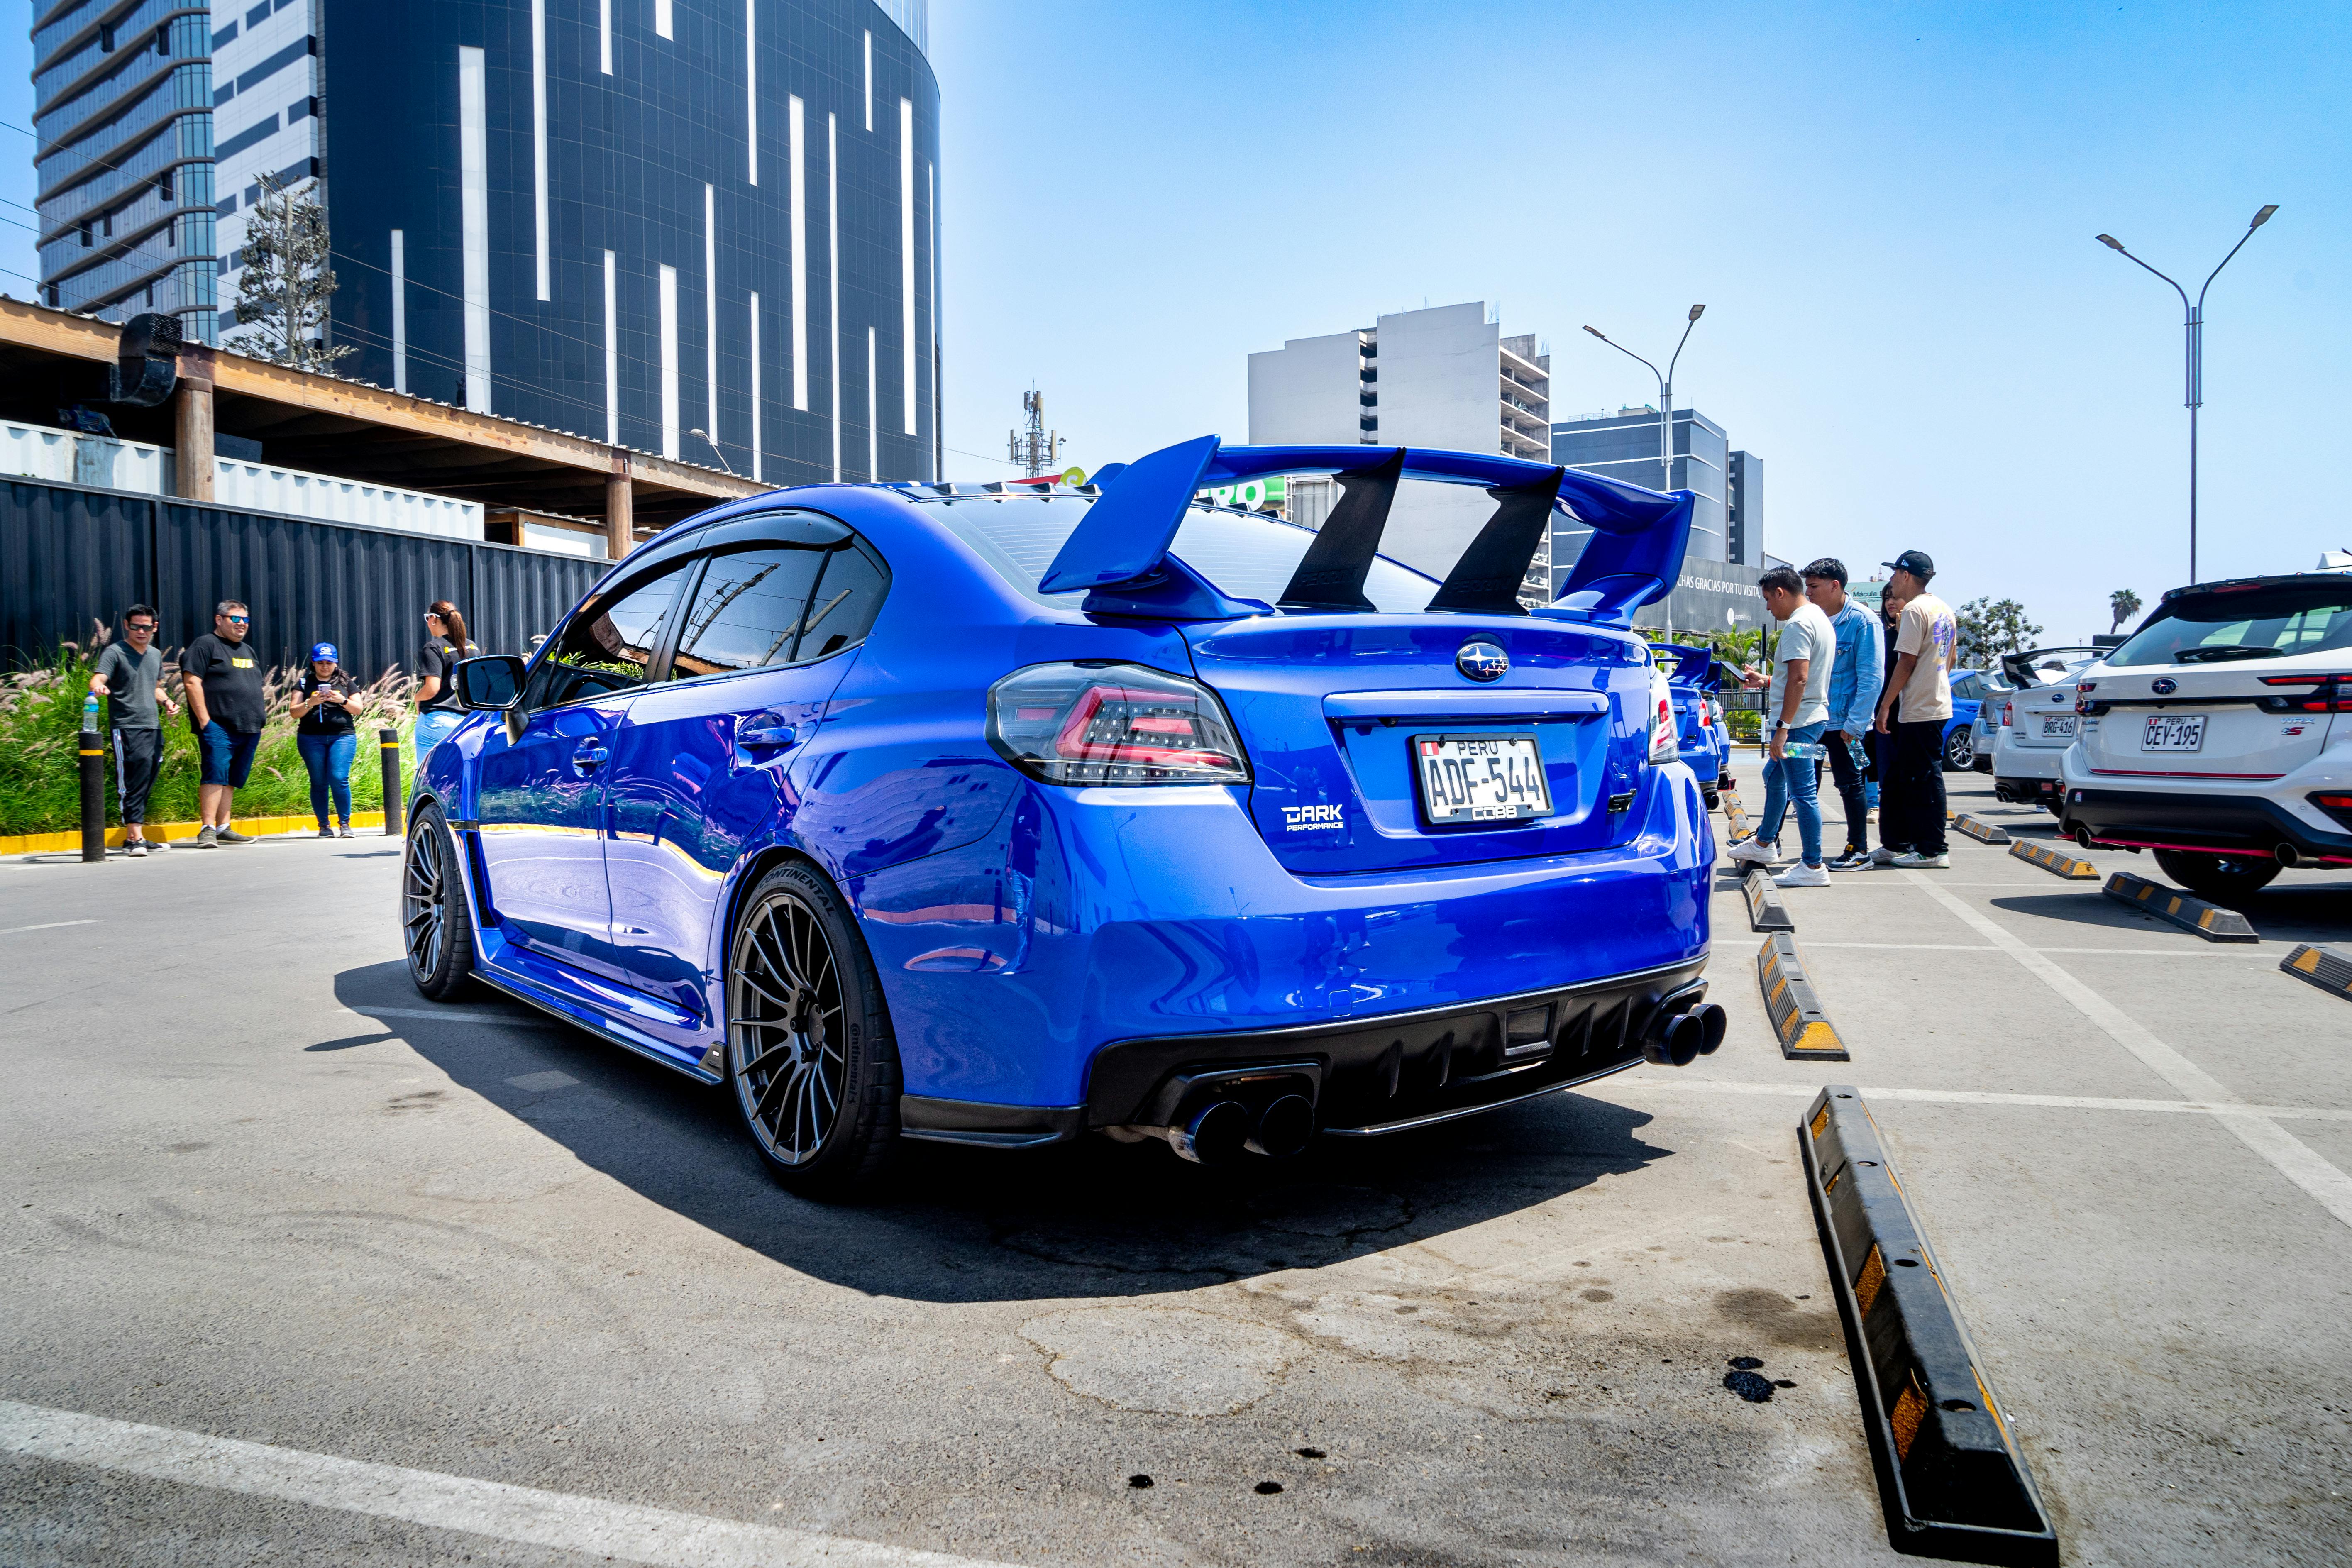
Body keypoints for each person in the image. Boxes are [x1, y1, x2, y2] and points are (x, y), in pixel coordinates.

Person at [1728, 566, 1838, 887]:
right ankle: (1764, 844)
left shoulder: (1798, 625)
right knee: (1772, 776)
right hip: (1811, 716)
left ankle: (1813, 866)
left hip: (1799, 722)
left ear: (1780, 592)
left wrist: (1782, 729)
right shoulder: (1819, 619)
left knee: (1803, 794)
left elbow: (1800, 678)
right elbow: (1802, 675)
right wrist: (1765, 680)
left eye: (1767, 599)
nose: (1767, 608)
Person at [1872, 550, 1959, 868]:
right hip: (1935, 702)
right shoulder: (1944, 609)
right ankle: (1905, 844)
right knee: (1917, 777)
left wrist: (1885, 705)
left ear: (1906, 576)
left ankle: (1933, 849)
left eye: (1894, 574)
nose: (1892, 580)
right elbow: (1950, 659)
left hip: (1918, 709)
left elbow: (1905, 661)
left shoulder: (1913, 611)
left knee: (1924, 780)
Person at [1801, 560, 1885, 871]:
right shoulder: (1812, 619)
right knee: (1797, 779)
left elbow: (1871, 678)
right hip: (1812, 721)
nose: (1807, 593)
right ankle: (1777, 842)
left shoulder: (1862, 622)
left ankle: (1858, 849)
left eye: (1813, 587)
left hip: (1844, 725)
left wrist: (1855, 724)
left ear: (1835, 586)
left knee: (1850, 784)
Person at [87, 604, 177, 857]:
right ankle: (136, 836)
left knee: (148, 778)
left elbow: (156, 687)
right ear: (126, 625)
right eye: (136, 626)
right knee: (131, 780)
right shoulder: (115, 652)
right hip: (127, 725)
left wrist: (167, 702)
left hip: (153, 725)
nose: (141, 631)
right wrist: (99, 688)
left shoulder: (154, 654)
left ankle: (134, 837)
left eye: (146, 627)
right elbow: (98, 679)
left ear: (154, 628)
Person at [180, 601, 266, 849]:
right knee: (215, 775)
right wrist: (205, 721)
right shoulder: (206, 644)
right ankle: (207, 828)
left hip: (249, 727)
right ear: (219, 620)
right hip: (219, 726)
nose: (241, 624)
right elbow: (191, 682)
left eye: (245, 620)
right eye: (235, 619)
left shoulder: (248, 651)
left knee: (230, 779)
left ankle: (223, 827)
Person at [292, 642, 359, 838]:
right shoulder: (304, 683)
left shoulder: (347, 682)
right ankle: (324, 825)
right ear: (313, 663)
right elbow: (294, 713)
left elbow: (358, 709)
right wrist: (310, 702)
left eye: (329, 663)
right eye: (320, 662)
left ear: (336, 664)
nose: (325, 666)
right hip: (311, 738)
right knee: (319, 781)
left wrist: (342, 701)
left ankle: (345, 824)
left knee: (339, 778)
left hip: (343, 736)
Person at [413, 600, 476, 757]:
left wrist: (417, 698)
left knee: (429, 775)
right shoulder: (472, 647)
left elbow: (432, 688)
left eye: (428, 618)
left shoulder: (434, 647)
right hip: (469, 722)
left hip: (438, 721)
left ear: (434, 619)